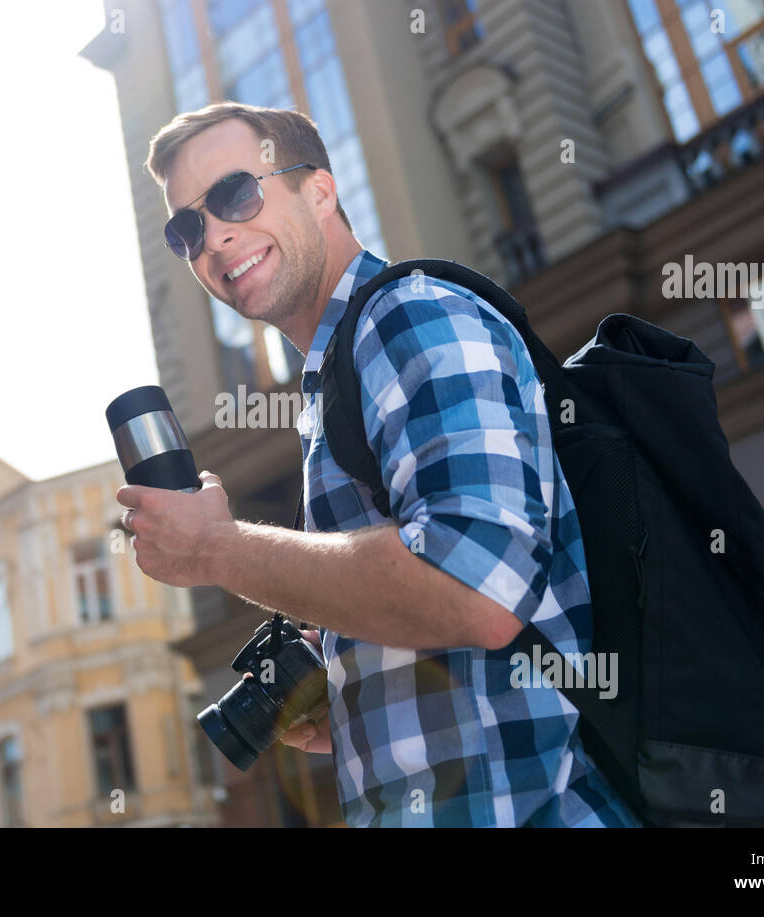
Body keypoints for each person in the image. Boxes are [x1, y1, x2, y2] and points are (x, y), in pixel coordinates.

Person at [116, 101, 639, 828]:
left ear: (319, 190)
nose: (215, 235)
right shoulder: (332, 376)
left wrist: (215, 547)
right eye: (187, 227)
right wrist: (358, 684)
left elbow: (475, 586)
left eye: (235, 194)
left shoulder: (406, 314)